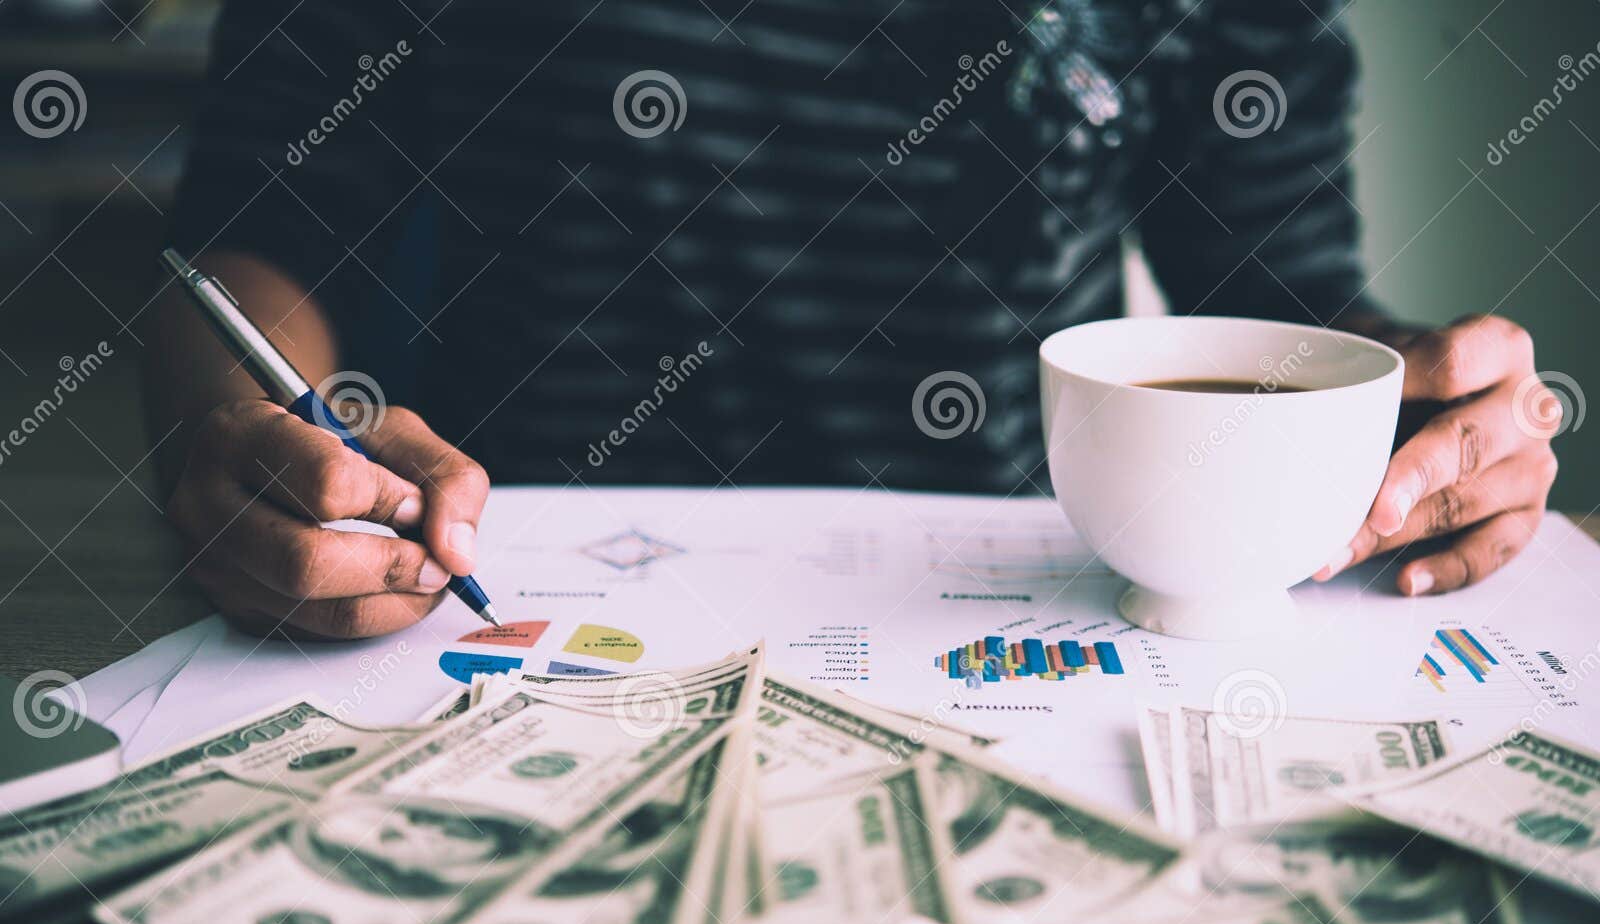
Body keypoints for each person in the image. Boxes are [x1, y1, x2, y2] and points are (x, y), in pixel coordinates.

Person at [147, 0, 1560, 641]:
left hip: (1020, 619)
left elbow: (1280, 302)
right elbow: (267, 229)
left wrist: (1425, 422)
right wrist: (245, 433)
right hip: (490, 574)